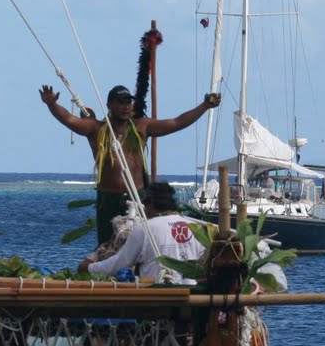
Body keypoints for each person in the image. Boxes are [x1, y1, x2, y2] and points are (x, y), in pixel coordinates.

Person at [40, 82, 220, 245]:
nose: (126, 107)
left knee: (140, 244)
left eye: (128, 102)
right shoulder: (97, 129)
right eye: (121, 102)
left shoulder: (142, 127)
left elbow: (177, 122)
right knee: (107, 245)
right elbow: (69, 120)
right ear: (110, 104)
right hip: (108, 199)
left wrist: (204, 106)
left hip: (137, 197)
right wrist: (52, 104)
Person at [79, 181, 287, 289]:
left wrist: (90, 267)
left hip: (159, 301)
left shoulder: (144, 229)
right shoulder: (199, 228)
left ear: (150, 205)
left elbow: (119, 264)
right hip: (194, 299)